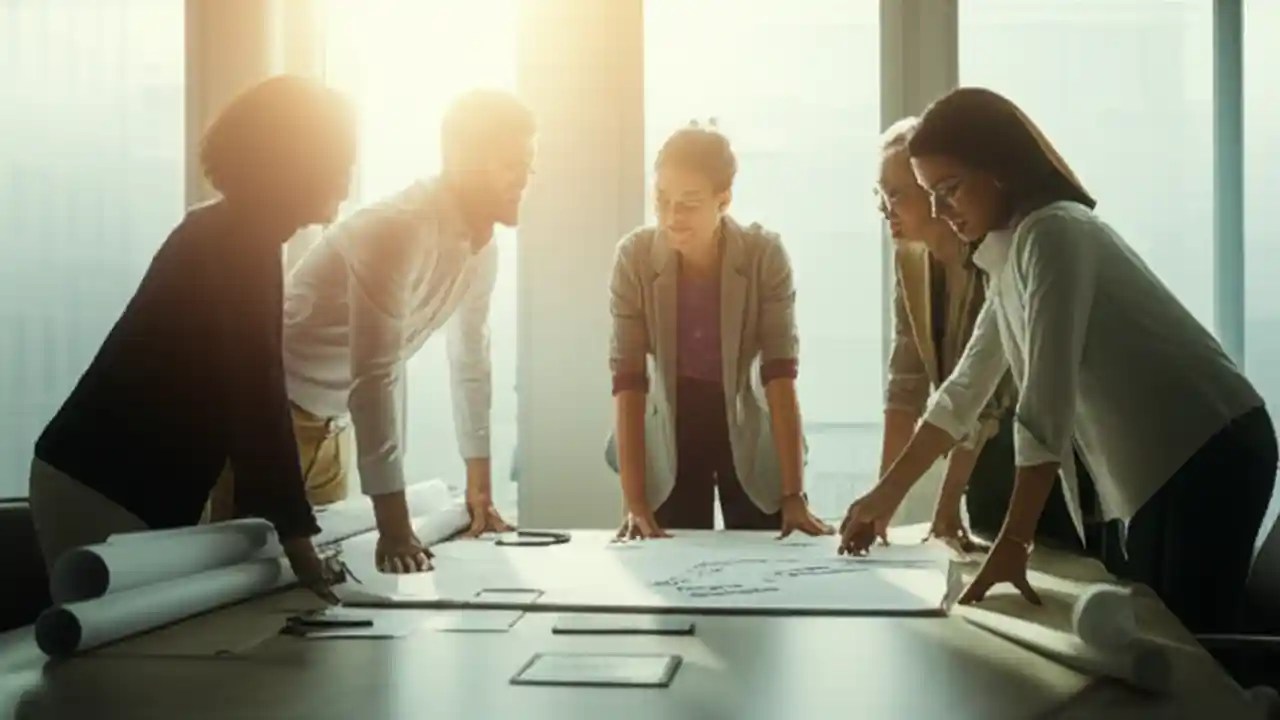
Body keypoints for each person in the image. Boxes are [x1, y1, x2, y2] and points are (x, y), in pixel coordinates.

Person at [839, 87, 1276, 634]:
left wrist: (1014, 540)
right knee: (1169, 639)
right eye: (928, 195)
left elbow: (1045, 408)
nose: (938, 212)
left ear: (998, 168)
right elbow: (963, 392)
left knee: (1186, 644)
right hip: (1171, 457)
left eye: (948, 190)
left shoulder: (1054, 233)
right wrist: (884, 496)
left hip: (1211, 445)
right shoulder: (1009, 255)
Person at [29, 75, 357, 602]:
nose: (345, 181)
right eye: (338, 161)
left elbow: (249, 403)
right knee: (116, 670)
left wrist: (293, 540)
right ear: (297, 163)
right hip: (102, 484)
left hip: (125, 482)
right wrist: (301, 550)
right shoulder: (234, 243)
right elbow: (258, 403)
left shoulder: (236, 235)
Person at [277, 89, 531, 574]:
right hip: (271, 420)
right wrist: (394, 527)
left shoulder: (482, 249)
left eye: (529, 165)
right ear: (464, 160)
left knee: (318, 592)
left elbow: (470, 363)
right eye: (511, 164)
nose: (524, 179)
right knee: (243, 586)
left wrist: (479, 488)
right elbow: (374, 377)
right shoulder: (400, 230)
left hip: (333, 431)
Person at [607, 123, 832, 539]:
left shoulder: (765, 255)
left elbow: (780, 374)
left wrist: (794, 495)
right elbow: (628, 381)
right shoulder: (634, 258)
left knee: (764, 549)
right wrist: (634, 502)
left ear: (723, 200)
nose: (672, 217)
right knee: (669, 556)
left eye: (689, 204)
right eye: (662, 200)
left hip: (746, 416)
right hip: (670, 422)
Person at [872, 116, 1082, 553]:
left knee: (1050, 565)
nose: (883, 209)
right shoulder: (911, 262)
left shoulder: (1000, 249)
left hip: (1027, 441)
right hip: (971, 440)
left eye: (894, 194)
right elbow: (905, 387)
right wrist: (881, 504)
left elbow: (988, 393)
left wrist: (947, 502)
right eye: (879, 195)